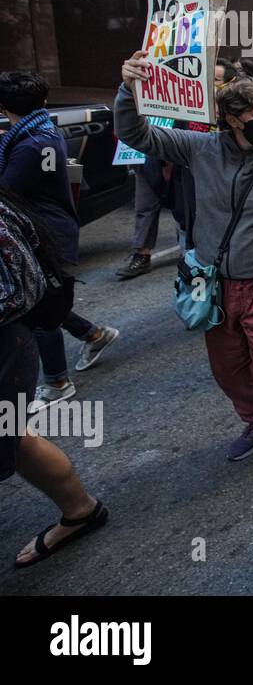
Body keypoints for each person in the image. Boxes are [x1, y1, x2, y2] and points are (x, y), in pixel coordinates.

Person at [116, 52, 253, 460]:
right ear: (233, 120)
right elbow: (137, 136)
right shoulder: (200, 149)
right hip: (216, 284)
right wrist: (129, 90)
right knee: (228, 367)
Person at [1, 189, 109, 568]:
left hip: (7, 345)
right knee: (13, 436)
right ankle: (80, 509)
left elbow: (22, 288)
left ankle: (81, 510)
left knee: (9, 433)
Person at [0, 71, 119, 412]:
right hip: (48, 229)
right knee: (45, 293)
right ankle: (93, 334)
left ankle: (56, 382)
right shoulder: (39, 133)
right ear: (44, 101)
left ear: (4, 106)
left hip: (43, 235)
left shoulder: (32, 144)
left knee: (39, 307)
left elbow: (6, 193)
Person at [115, 155, 171, 279]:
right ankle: (142, 255)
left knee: (183, 206)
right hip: (144, 153)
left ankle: (192, 251)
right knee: (145, 204)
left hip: (174, 152)